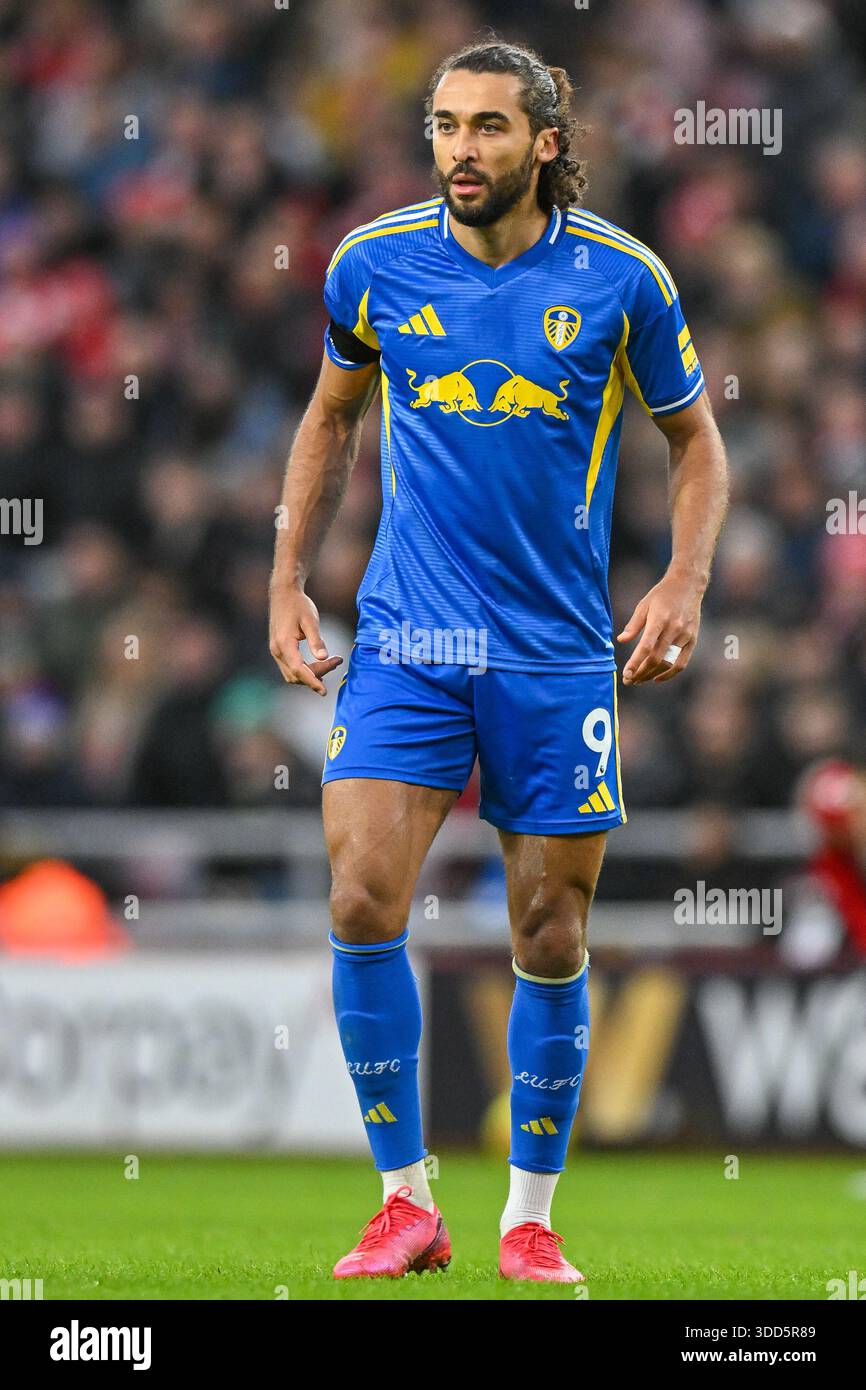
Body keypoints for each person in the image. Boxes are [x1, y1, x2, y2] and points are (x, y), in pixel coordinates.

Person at [269, 40, 728, 1282]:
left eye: (484, 127)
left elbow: (695, 443)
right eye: (442, 125)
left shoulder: (621, 279)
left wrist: (682, 581)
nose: (458, 148)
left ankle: (528, 1214)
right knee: (361, 897)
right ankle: (403, 1202)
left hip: (554, 652)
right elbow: (328, 415)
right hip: (406, 638)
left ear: (541, 142)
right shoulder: (372, 262)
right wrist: (285, 578)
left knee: (547, 928)